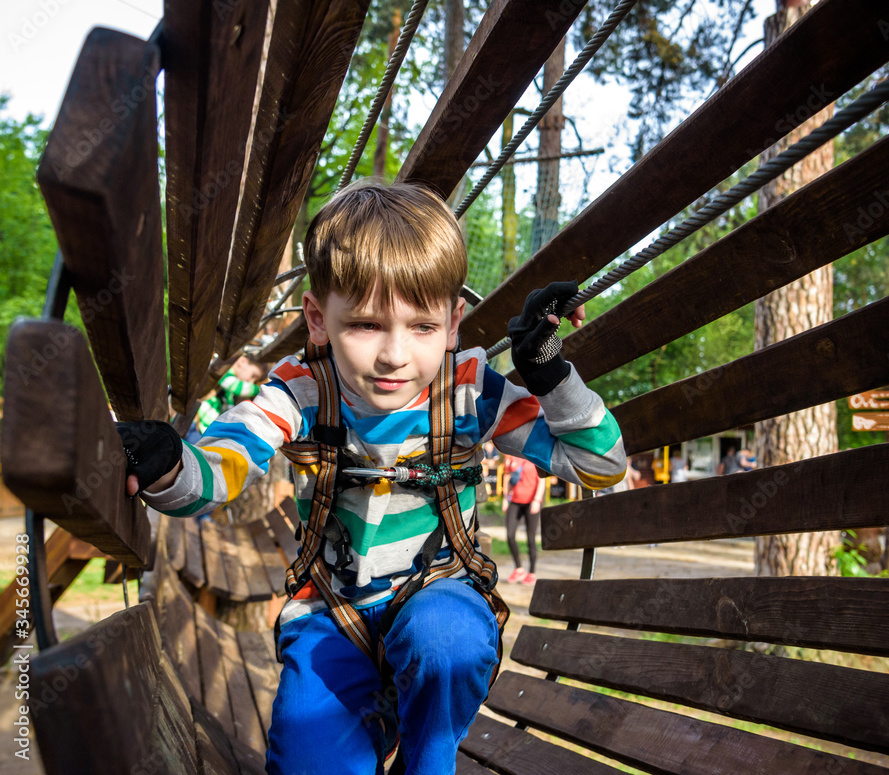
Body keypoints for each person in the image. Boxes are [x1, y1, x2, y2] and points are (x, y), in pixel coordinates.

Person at [116, 179, 627, 775]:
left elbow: (600, 466)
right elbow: (225, 463)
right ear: (316, 318)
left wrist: (550, 375)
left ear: (454, 321)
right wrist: (172, 462)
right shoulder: (302, 392)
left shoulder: (468, 392)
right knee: (312, 759)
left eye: (422, 327)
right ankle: (363, 723)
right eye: (363, 325)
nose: (394, 356)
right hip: (332, 613)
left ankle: (424, 757)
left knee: (446, 642)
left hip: (439, 596)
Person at [192, 355, 265, 436]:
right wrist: (261, 388)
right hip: (197, 422)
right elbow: (238, 388)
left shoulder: (230, 389)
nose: (251, 382)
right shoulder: (223, 373)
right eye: (253, 376)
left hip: (206, 427)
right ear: (242, 361)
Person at [501, 455, 545, 585]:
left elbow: (541, 480)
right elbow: (508, 477)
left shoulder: (534, 454)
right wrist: (505, 499)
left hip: (532, 501)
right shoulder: (510, 456)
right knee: (510, 535)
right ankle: (519, 568)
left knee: (530, 538)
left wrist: (537, 500)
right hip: (515, 501)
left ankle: (532, 572)